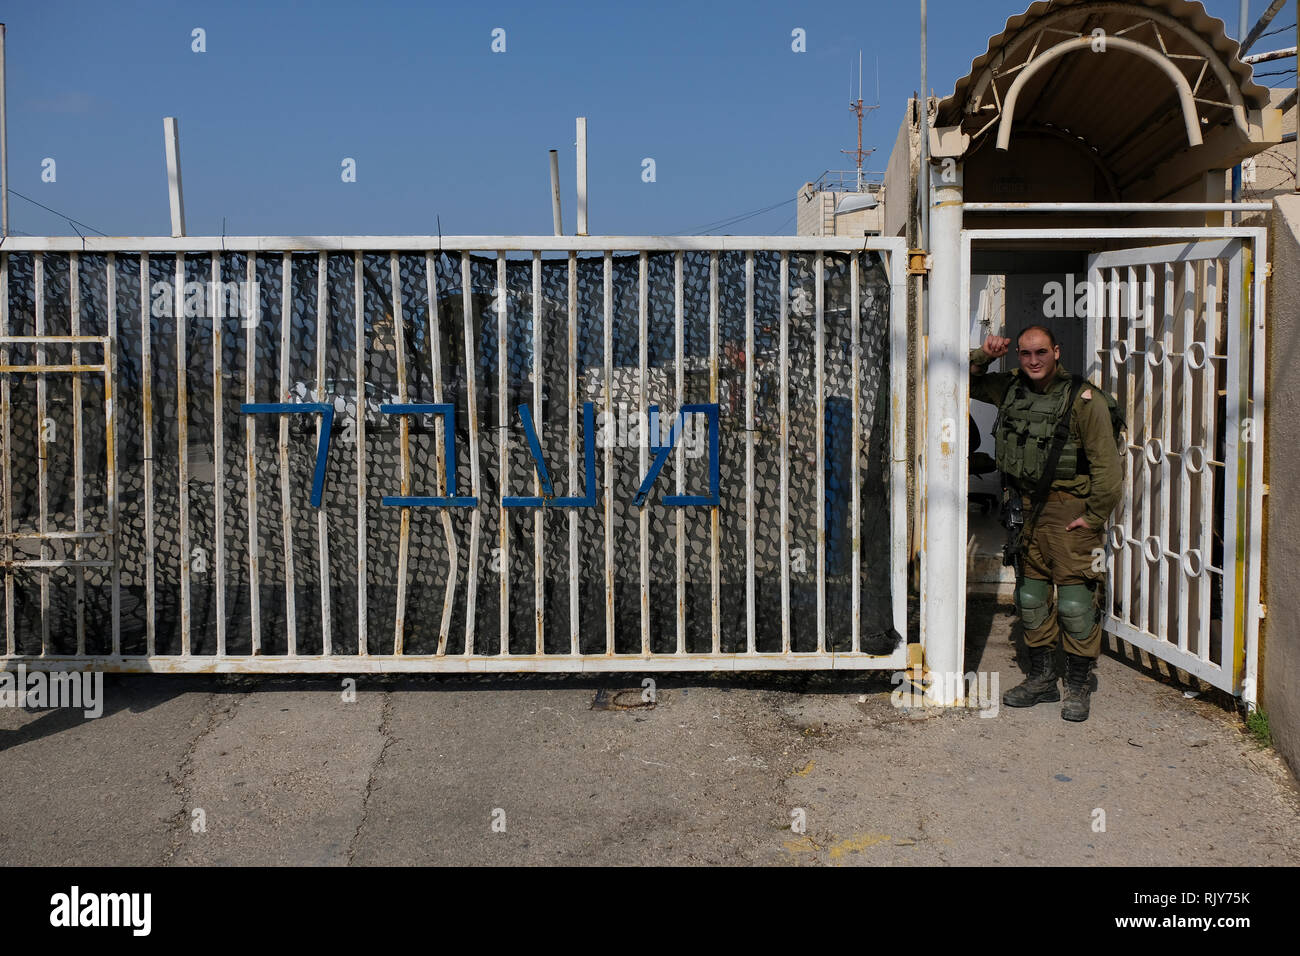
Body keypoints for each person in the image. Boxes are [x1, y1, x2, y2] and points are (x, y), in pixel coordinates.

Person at [970, 326, 1121, 721]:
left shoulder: (1085, 400)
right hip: (1023, 507)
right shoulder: (1012, 388)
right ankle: (1041, 679)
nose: (1033, 361)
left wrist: (1092, 517)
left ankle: (1077, 684)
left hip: (1069, 509)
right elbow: (962, 378)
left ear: (1056, 351)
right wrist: (985, 355)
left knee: (1074, 602)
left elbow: (1108, 470)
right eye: (1024, 353)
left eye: (1040, 352)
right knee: (1031, 598)